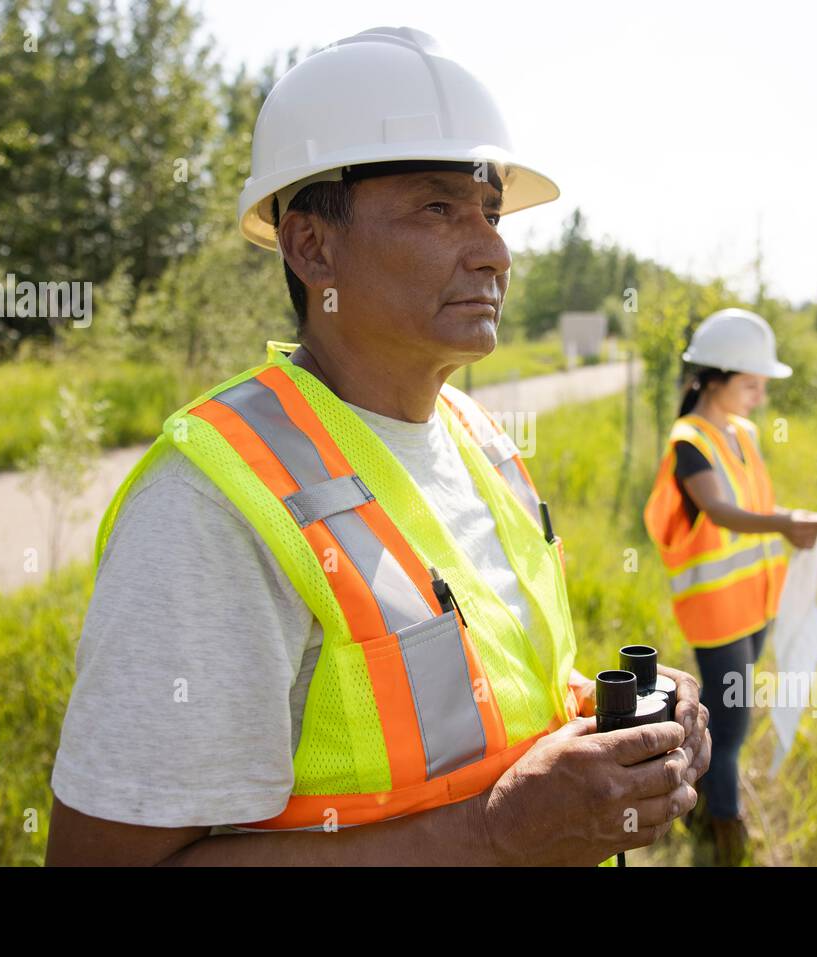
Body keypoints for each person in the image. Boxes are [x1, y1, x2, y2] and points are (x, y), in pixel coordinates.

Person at [45, 26, 710, 867]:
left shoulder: (478, 440)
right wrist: (495, 835)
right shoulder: (210, 506)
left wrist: (624, 722)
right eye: (440, 209)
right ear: (311, 246)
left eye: (492, 212)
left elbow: (489, 709)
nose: (495, 251)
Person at [643, 307, 817, 866]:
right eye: (751, 385)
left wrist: (809, 522)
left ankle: (700, 802)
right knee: (731, 724)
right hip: (717, 611)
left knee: (729, 720)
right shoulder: (690, 441)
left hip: (755, 604)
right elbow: (721, 511)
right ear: (716, 378)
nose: (760, 397)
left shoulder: (743, 432)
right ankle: (723, 831)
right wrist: (783, 524)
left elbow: (757, 507)